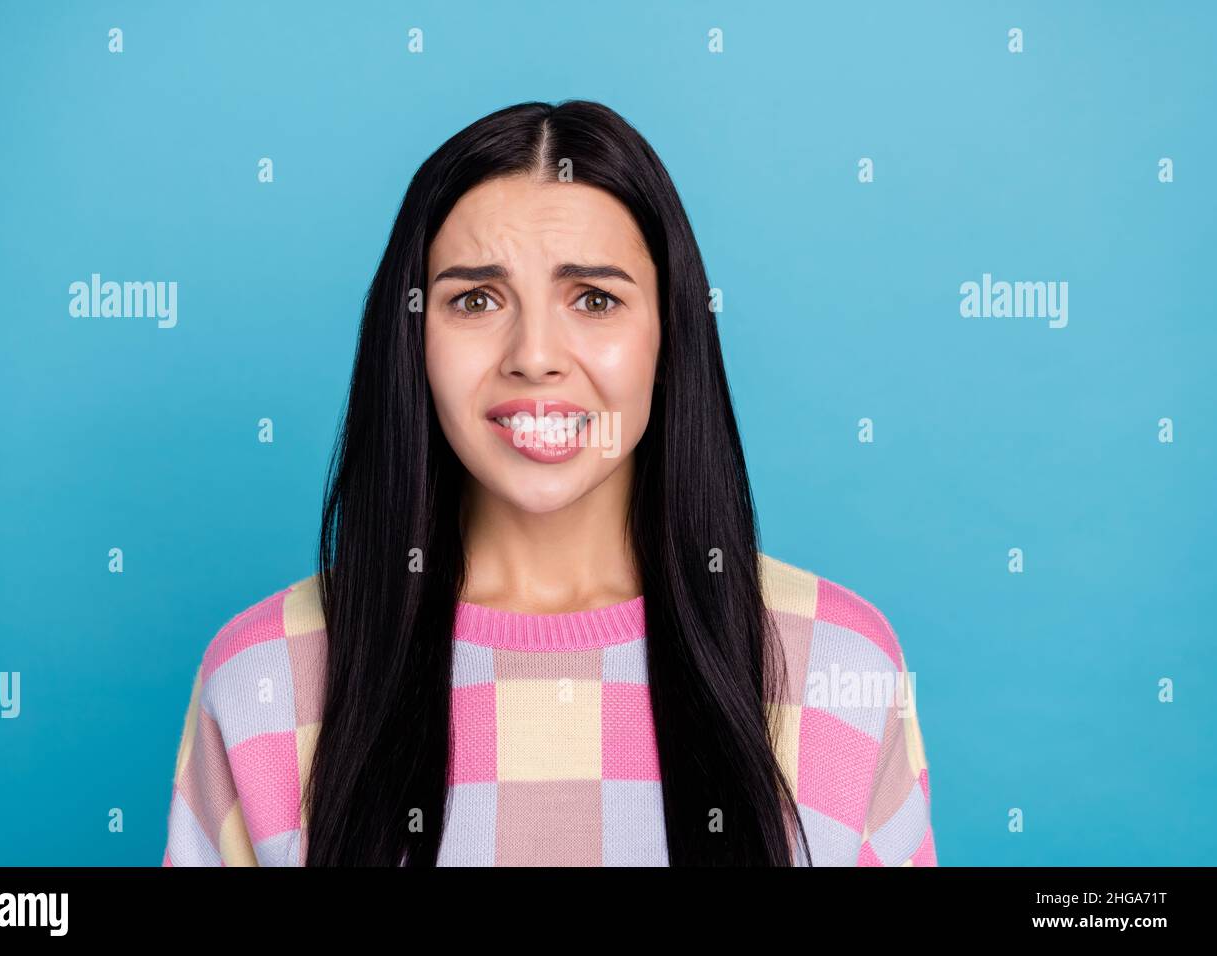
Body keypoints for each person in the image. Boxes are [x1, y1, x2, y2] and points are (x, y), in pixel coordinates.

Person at [162, 100, 936, 867]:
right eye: (475, 299)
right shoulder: (263, 676)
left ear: (669, 334)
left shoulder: (841, 666)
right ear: (413, 339)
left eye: (594, 299)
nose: (534, 356)